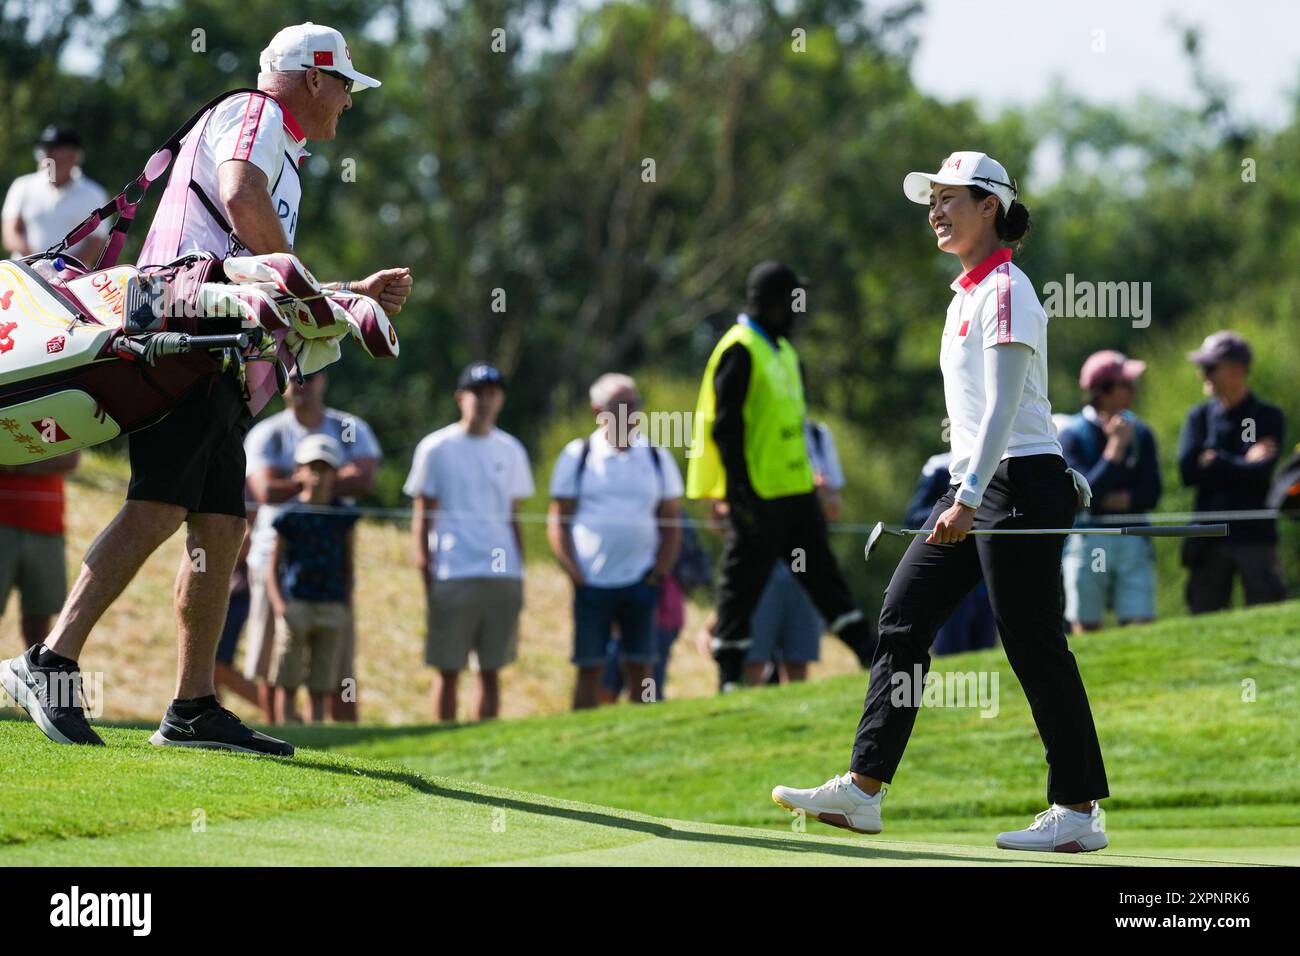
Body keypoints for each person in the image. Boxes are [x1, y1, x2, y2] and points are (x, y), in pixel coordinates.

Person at [1, 23, 410, 754]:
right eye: (345, 84)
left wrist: (341, 292)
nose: (349, 101)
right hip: (187, 335)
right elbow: (240, 199)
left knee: (220, 525)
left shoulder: (284, 145)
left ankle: (192, 707)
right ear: (313, 77)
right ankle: (47, 661)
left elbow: (259, 261)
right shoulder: (257, 114)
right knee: (159, 502)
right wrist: (317, 298)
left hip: (219, 342)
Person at [772, 152, 1109, 853]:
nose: (935, 211)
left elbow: (1007, 409)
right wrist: (976, 488)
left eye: (950, 198)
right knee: (903, 613)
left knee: (1032, 641)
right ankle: (864, 791)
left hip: (1008, 487)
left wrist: (976, 492)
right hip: (985, 484)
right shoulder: (965, 294)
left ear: (989, 206)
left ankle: (1078, 811)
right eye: (931, 200)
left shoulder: (1008, 289)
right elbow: (1002, 410)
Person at [685, 261, 876, 692]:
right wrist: (738, 496)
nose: (798, 308)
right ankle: (730, 679)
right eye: (793, 299)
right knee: (741, 587)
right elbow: (726, 429)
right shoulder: (740, 348)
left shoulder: (783, 350)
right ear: (772, 303)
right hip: (758, 495)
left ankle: (872, 655)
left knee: (823, 576)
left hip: (794, 491)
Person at [244, 370, 381, 723]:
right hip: (273, 561)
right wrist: (325, 481)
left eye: (311, 376)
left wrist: (296, 480)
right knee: (273, 661)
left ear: (325, 381)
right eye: (291, 377)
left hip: (330, 568)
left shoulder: (351, 426)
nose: (300, 384)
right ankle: (275, 730)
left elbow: (365, 479)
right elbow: (264, 491)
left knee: (336, 663)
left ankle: (334, 737)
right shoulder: (267, 432)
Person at [405, 363, 533, 722]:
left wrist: (519, 571)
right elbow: (421, 515)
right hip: (453, 569)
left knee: (491, 670)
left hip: (501, 572)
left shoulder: (511, 449)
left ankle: (483, 748)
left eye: (492, 394)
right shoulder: (436, 447)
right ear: (461, 398)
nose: (485, 401)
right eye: (478, 393)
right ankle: (442, 744)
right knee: (448, 669)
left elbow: (514, 516)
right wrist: (424, 567)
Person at [549, 374, 684, 709]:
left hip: (641, 581)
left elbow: (671, 520)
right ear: (598, 410)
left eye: (633, 404)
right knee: (589, 666)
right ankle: (581, 738)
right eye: (619, 405)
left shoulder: (655, 455)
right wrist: (575, 573)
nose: (629, 411)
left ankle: (644, 735)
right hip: (591, 582)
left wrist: (658, 572)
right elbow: (558, 519)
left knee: (642, 664)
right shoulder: (578, 454)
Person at [1178, 331, 1287, 613]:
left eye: (1210, 367)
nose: (1203, 375)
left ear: (1238, 369)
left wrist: (1215, 461)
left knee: (1267, 617)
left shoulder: (1268, 417)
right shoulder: (1198, 417)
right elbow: (1188, 473)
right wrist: (1242, 463)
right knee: (1204, 622)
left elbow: (1261, 475)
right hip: (1207, 540)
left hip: (1255, 538)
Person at [1059, 351, 1163, 631]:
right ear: (1103, 391)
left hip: (1135, 537)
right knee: (1087, 626)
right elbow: (1079, 496)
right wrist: (1114, 450)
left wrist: (1107, 499)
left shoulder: (1142, 433)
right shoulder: (1071, 435)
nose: (1133, 390)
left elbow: (1152, 493)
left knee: (1141, 623)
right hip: (1087, 538)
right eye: (1125, 385)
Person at [744, 418, 847, 686]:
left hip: (806, 563)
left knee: (798, 657)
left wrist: (820, 495)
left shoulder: (818, 435)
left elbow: (834, 510)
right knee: (753, 657)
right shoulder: (751, 428)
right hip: (759, 562)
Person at [265, 435, 358, 723]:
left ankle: (315, 730)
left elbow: (349, 565)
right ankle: (287, 729)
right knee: (288, 679)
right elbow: (274, 566)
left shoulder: (345, 516)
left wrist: (345, 604)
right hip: (296, 603)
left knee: (321, 684)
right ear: (300, 471)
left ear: (335, 473)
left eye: (325, 468)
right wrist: (280, 605)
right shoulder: (288, 515)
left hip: (331, 604)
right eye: (312, 467)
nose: (318, 475)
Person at [902, 452, 997, 656]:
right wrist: (955, 517)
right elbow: (913, 517)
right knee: (951, 651)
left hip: (985, 574)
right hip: (949, 571)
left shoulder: (998, 462)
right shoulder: (939, 466)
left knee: (985, 653)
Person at [0, 453, 80, 651]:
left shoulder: (66, 420)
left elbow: (69, 460)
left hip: (46, 523)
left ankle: (36, 678)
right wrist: (40, 461)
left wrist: (13, 462)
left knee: (39, 620)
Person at [2, 126, 109, 264]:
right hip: (22, 277)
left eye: (53, 151)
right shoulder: (22, 186)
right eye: (45, 150)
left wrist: (61, 269)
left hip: (71, 280)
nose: (46, 156)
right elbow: (10, 234)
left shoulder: (94, 194)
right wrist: (36, 264)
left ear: (73, 156)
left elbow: (95, 243)